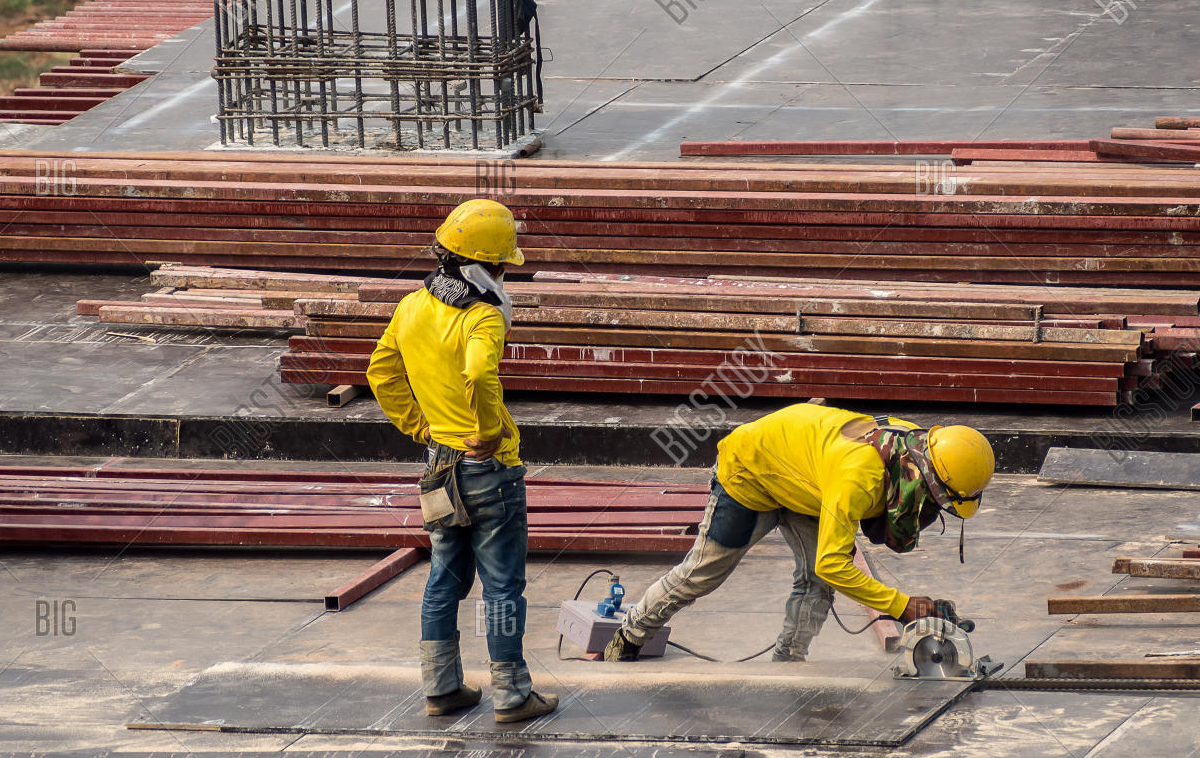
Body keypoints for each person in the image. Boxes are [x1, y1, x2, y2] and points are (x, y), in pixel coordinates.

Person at [603, 402, 995, 662]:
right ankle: (628, 638)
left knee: (813, 584)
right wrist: (901, 606)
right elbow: (833, 564)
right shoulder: (858, 479)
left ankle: (787, 665)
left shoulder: (919, 445)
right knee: (702, 575)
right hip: (751, 470)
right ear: (930, 481)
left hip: (808, 483)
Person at [366, 199, 558, 723]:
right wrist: (489, 431)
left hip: (438, 465)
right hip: (488, 469)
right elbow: (477, 373)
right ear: (492, 265)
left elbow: (380, 371)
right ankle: (512, 694)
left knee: (445, 578)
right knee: (501, 585)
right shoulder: (483, 315)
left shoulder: (412, 305)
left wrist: (420, 426)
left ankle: (442, 688)